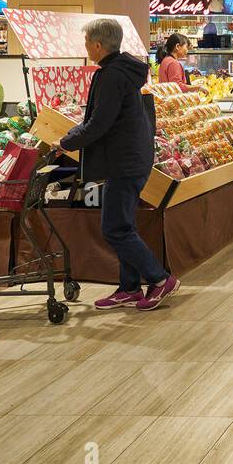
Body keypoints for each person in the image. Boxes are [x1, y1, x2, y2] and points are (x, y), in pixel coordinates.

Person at [60, 18, 179, 312]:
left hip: (124, 162)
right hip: (132, 158)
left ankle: (159, 278)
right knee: (124, 225)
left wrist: (66, 142)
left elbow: (99, 123)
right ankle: (129, 287)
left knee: (114, 228)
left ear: (98, 45)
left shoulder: (111, 76)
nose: (85, 46)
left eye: (87, 41)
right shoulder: (123, 71)